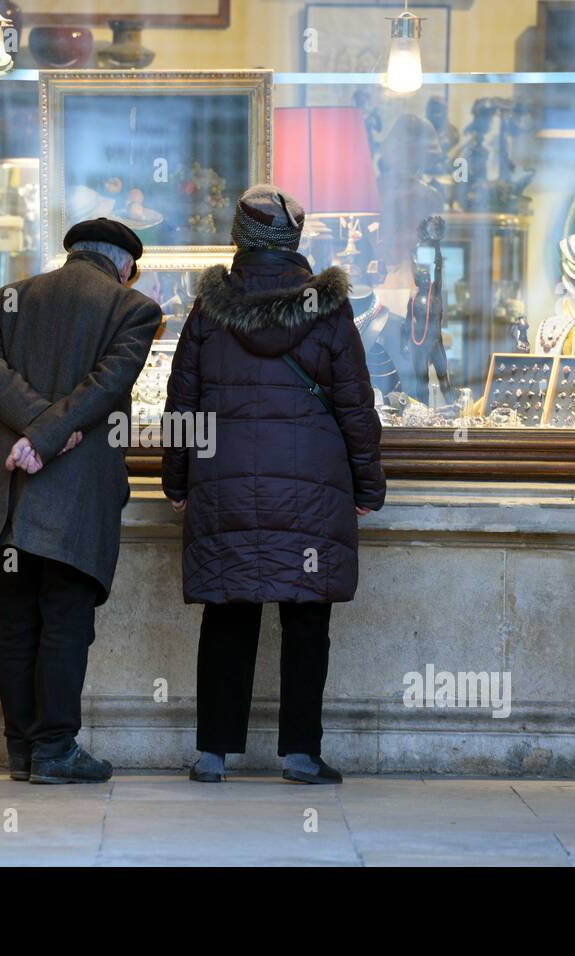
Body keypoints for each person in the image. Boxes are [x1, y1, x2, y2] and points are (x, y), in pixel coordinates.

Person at [162, 185, 387, 785]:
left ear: (238, 238)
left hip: (225, 484)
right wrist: (369, 487)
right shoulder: (329, 309)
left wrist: (177, 482)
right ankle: (301, 755)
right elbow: (355, 407)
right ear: (294, 240)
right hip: (311, 488)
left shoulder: (209, 308)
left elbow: (181, 403)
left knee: (228, 613)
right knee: (306, 618)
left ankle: (213, 753)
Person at [0, 219, 162, 784]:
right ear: (125, 265)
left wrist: (29, 435)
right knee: (66, 622)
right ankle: (55, 749)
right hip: (74, 493)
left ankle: (21, 750)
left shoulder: (10, 299)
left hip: (8, 495)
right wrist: (49, 435)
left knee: (17, 620)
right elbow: (106, 386)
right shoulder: (134, 308)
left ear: (70, 254)